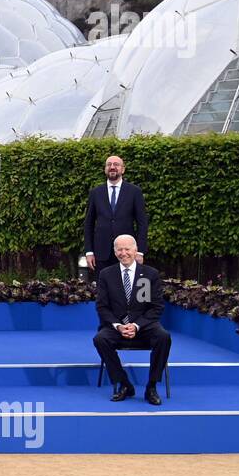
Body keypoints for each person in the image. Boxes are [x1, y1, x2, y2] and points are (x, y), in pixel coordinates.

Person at [93, 235, 170, 406]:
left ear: (135, 251)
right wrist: (119, 326)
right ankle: (124, 384)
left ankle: (151, 387)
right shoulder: (106, 274)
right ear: (114, 252)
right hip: (117, 327)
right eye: (119, 249)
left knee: (163, 337)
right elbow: (102, 307)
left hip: (144, 326)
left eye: (127, 249)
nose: (123, 253)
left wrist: (136, 325)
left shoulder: (149, 274)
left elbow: (156, 307)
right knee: (100, 339)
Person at [83, 155, 147, 270]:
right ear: (105, 169)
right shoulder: (95, 193)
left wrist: (140, 251)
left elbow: (142, 223)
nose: (112, 167)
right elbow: (88, 224)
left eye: (116, 164)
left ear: (123, 169)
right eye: (109, 164)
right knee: (102, 282)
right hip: (101, 253)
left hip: (127, 253)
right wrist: (89, 252)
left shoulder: (134, 192)